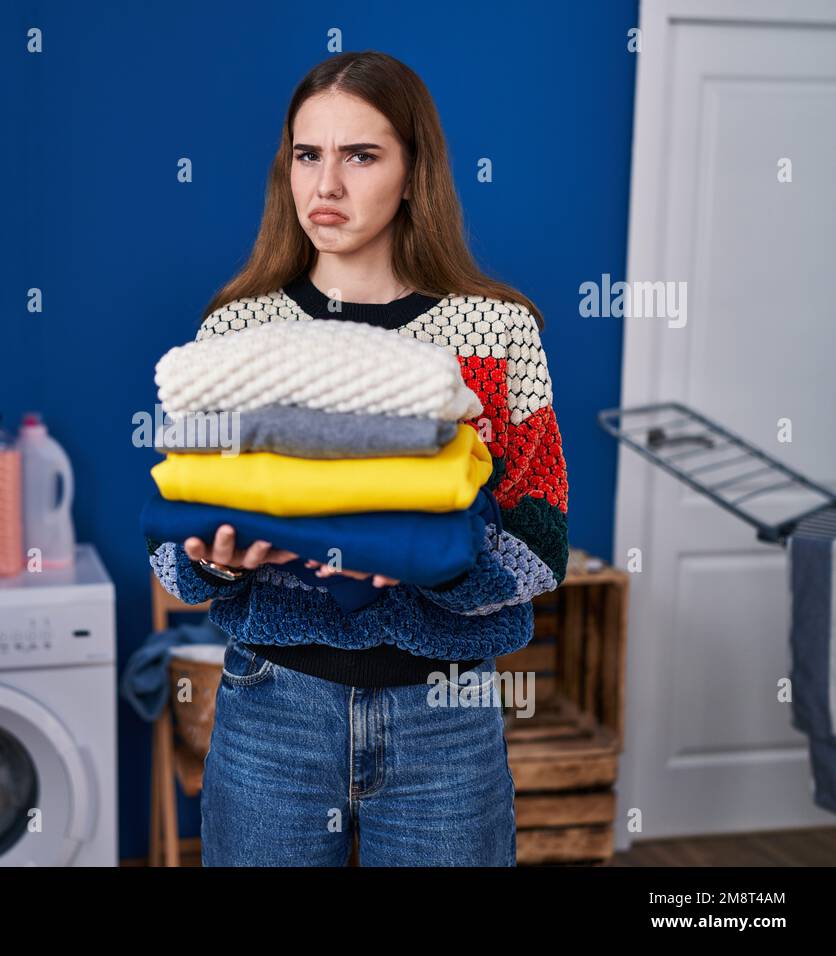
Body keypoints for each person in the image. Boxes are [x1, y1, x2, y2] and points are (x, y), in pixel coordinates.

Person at [145, 50, 569, 866]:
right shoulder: (235, 334)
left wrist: (435, 565)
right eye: (308, 155)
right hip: (272, 711)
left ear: (415, 173)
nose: (326, 185)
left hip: (445, 717)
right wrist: (220, 565)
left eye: (360, 155)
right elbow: (172, 548)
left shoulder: (497, 332)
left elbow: (544, 547)